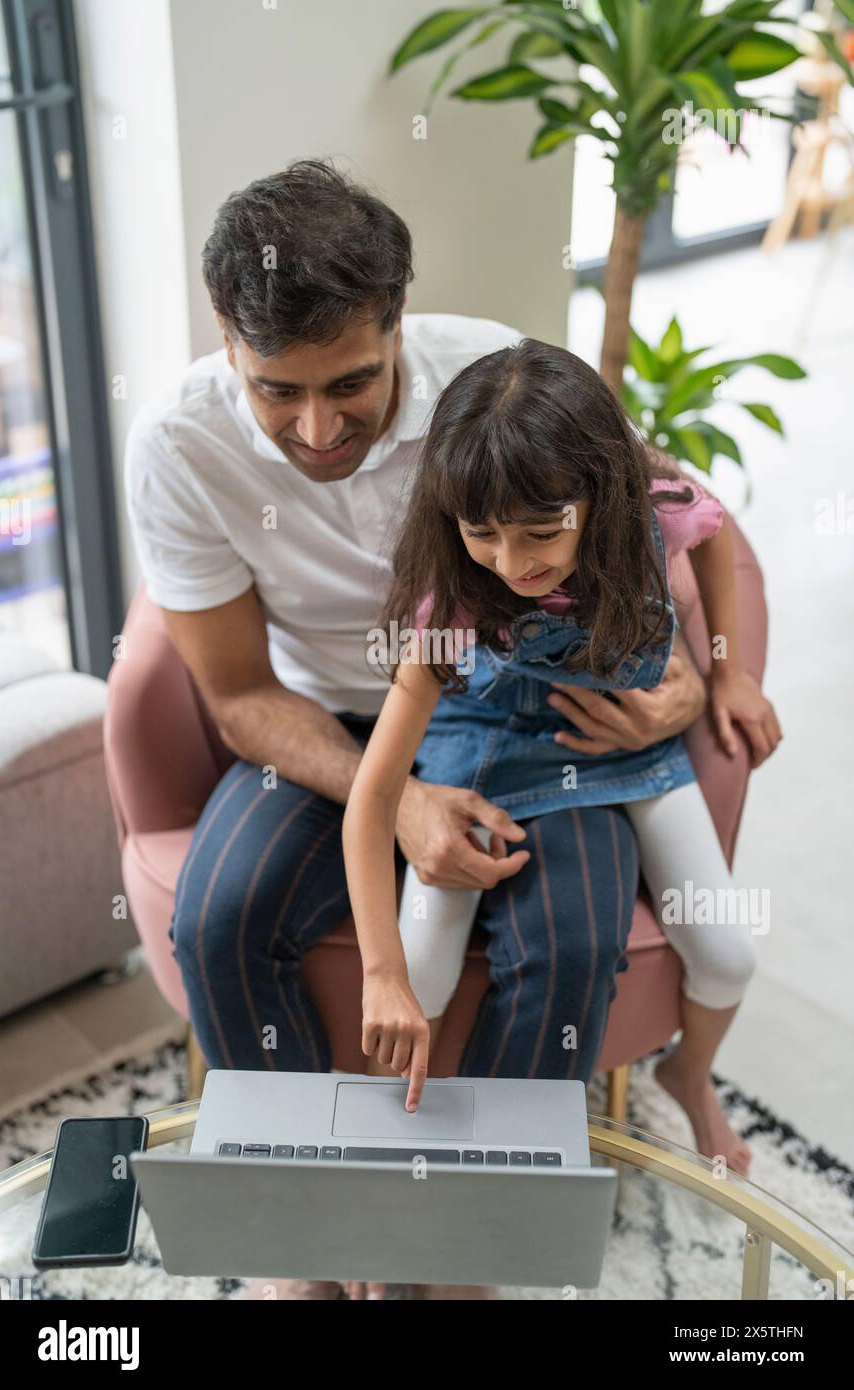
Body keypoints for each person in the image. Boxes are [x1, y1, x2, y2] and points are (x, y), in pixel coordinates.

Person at [125, 159, 711, 1299]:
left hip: (521, 711)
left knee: (572, 943)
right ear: (224, 339)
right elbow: (239, 696)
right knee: (219, 917)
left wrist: (687, 671)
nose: (315, 426)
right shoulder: (176, 445)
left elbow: (643, 505)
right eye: (274, 391)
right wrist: (393, 800)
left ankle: (465, 1249)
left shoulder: (486, 372)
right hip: (315, 716)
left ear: (400, 320)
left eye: (350, 381)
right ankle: (311, 1225)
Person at [343, 338, 783, 1185]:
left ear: (602, 493)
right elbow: (373, 800)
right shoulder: (449, 598)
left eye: (542, 533)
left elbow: (717, 529)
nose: (512, 565)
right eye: (483, 536)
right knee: (422, 967)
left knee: (730, 954)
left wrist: (730, 670)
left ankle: (687, 1074)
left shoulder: (651, 507)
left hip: (625, 740)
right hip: (486, 741)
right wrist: (381, 977)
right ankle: (390, 1144)